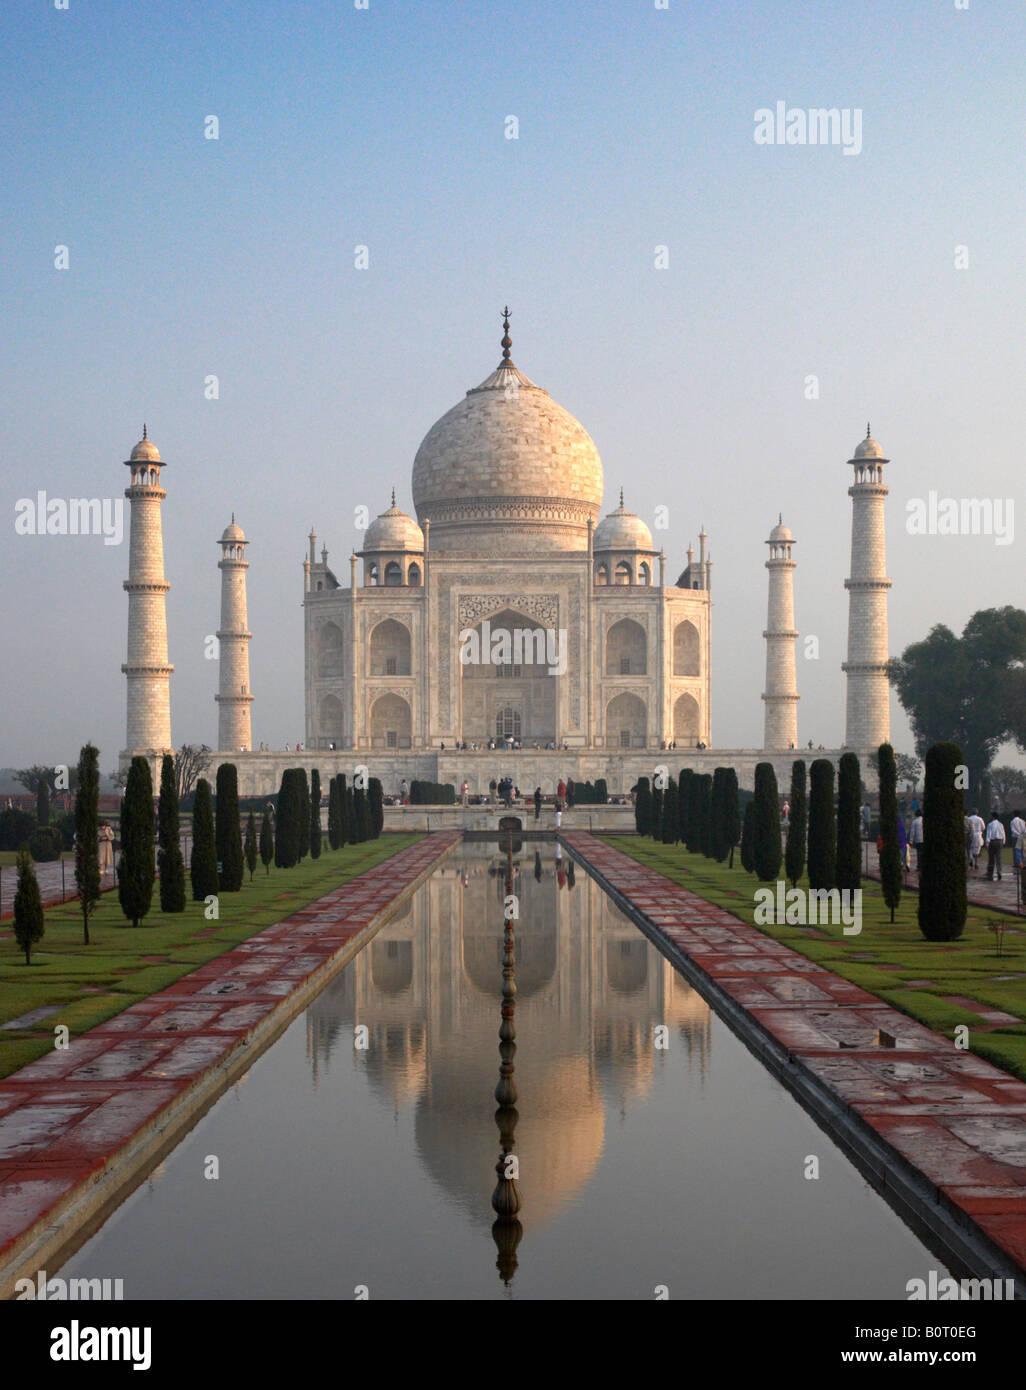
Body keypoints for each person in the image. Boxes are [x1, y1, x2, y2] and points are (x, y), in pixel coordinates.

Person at [985, 812, 1006, 881]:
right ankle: (999, 872)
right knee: (999, 858)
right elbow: (1003, 834)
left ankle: (990, 873)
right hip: (1000, 841)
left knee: (991, 859)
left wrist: (987, 843)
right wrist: (1003, 842)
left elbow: (988, 834)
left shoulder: (990, 824)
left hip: (992, 842)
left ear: (993, 816)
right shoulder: (1001, 824)